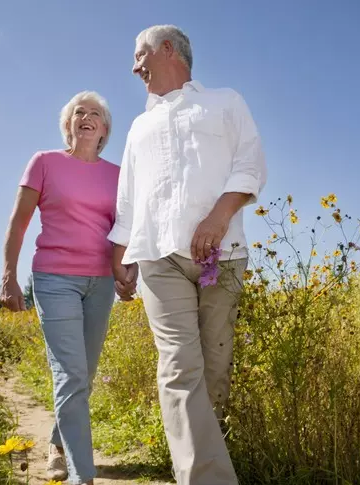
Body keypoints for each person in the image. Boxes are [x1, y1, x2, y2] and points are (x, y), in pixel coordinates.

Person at [109, 25, 267, 485]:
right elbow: (129, 198)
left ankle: (197, 461)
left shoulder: (224, 102)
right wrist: (122, 254)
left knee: (214, 374)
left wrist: (218, 219)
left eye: (139, 55)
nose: (134, 67)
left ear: (167, 49)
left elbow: (250, 165)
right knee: (180, 368)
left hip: (223, 255)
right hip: (160, 258)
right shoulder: (140, 125)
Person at [0, 90, 119, 485]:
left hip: (101, 282)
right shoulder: (44, 163)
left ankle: (57, 444)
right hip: (54, 279)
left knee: (83, 373)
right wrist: (9, 277)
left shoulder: (117, 174)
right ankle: (82, 476)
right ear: (67, 125)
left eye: (95, 114)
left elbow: (125, 230)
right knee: (69, 373)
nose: (86, 117)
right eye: (78, 112)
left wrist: (127, 270)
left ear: (104, 129)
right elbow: (18, 222)